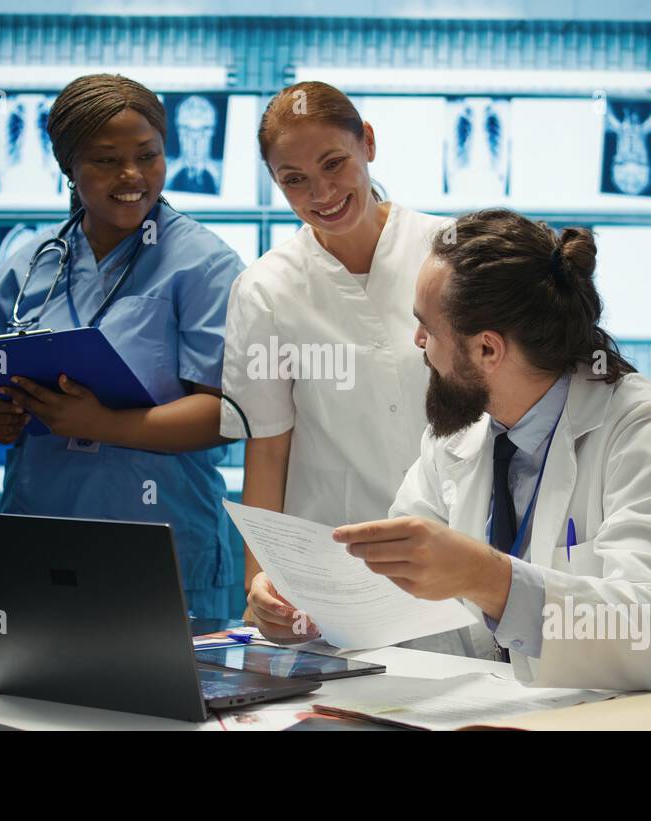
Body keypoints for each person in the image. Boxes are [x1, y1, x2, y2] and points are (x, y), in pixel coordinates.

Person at [331, 208, 651, 694]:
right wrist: (322, 609)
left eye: (428, 327)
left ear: (488, 349)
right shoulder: (457, 436)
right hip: (516, 708)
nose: (418, 341)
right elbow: (405, 597)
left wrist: (487, 577)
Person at [223, 81, 486, 654]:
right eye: (294, 179)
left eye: (334, 163)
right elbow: (268, 448)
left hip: (465, 548)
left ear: (367, 143)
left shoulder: (453, 249)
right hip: (336, 570)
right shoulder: (265, 289)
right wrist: (259, 581)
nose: (321, 192)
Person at [0, 74, 244, 618]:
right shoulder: (28, 264)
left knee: (162, 701)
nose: (132, 176)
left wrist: (101, 424)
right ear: (67, 166)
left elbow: (226, 415)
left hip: (161, 540)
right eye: (105, 160)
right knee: (35, 703)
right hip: (41, 534)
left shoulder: (204, 265)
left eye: (148, 156)